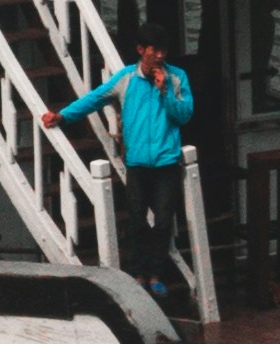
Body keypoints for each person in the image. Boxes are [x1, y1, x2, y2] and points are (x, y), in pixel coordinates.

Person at [47, 37, 199, 316]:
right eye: (156, 49)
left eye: (164, 50)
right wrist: (64, 116)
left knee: (164, 220)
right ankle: (138, 274)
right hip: (138, 163)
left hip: (166, 162)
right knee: (137, 219)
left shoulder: (177, 77)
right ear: (141, 49)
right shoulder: (126, 78)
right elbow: (95, 98)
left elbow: (185, 114)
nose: (161, 55)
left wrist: (164, 91)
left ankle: (155, 275)